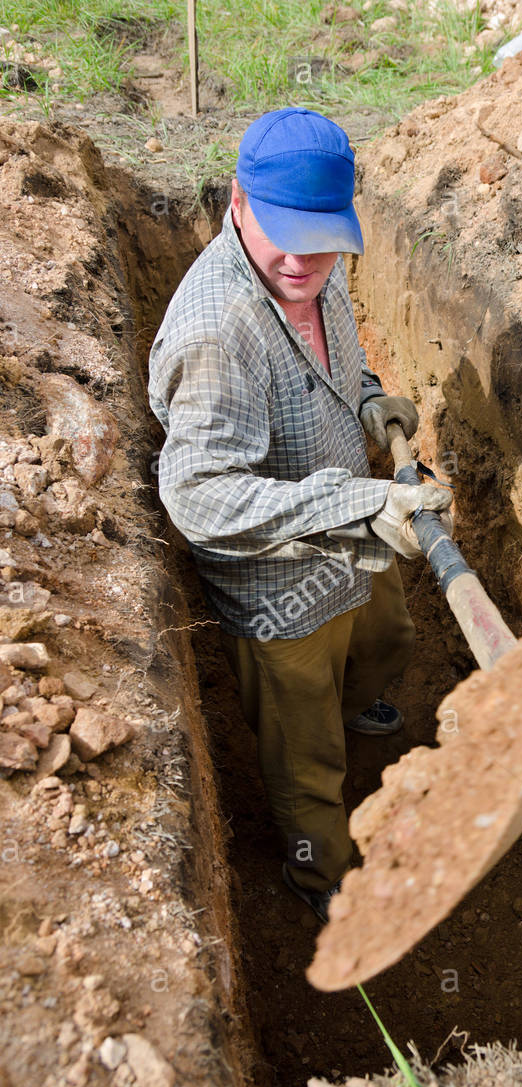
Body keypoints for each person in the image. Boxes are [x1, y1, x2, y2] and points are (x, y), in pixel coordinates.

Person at [148, 107, 452, 922]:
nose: (298, 260)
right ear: (238, 202)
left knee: (384, 642)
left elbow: (338, 362)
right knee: (306, 755)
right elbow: (200, 495)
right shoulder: (218, 331)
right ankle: (320, 875)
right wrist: (362, 504)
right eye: (281, 234)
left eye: (320, 240)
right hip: (278, 580)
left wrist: (368, 399)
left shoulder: (318, 264)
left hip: (353, 534)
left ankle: (357, 705)